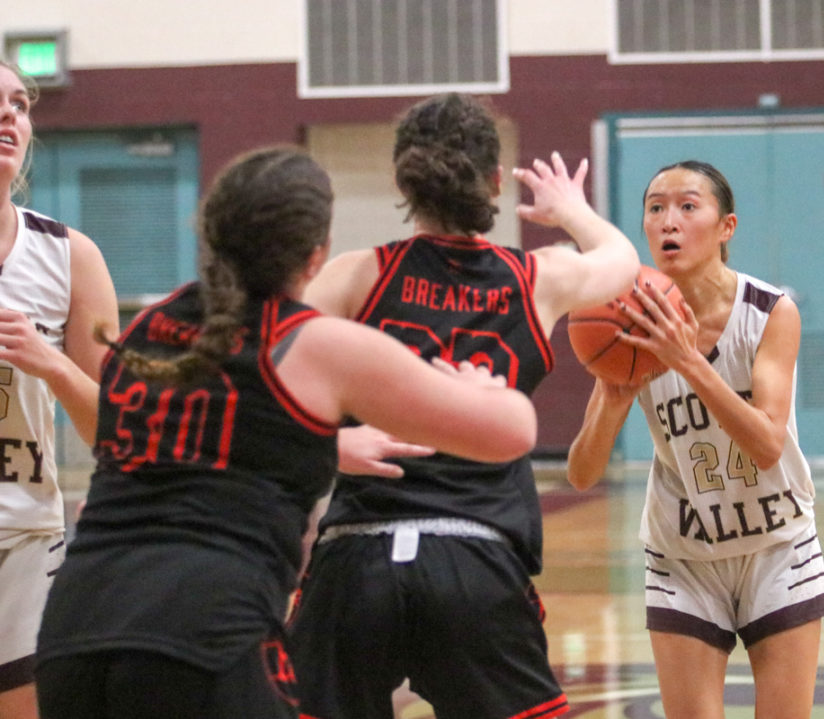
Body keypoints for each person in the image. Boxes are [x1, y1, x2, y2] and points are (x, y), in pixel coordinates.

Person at [30, 145, 540, 719]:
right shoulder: (313, 343)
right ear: (316, 256)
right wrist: (483, 387)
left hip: (73, 630)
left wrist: (327, 446)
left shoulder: (150, 329)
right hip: (204, 633)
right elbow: (511, 433)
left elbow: (209, 445)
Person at [288, 92, 640, 719]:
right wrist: (571, 211)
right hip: (473, 561)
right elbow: (621, 261)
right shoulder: (539, 278)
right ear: (497, 181)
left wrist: (331, 445)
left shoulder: (355, 275)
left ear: (404, 180)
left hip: (352, 563)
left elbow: (255, 377)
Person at [566, 160, 824, 719]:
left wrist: (688, 362)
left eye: (689, 206)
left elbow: (766, 444)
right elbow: (582, 473)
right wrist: (612, 406)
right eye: (656, 208)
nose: (670, 221)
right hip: (683, 552)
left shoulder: (769, 313)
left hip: (777, 544)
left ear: (726, 227)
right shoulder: (628, 318)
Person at [0, 59, 119, 719]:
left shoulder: (70, 256)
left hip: (23, 540)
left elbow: (118, 433)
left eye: (19, 103)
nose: (9, 116)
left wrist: (54, 365)